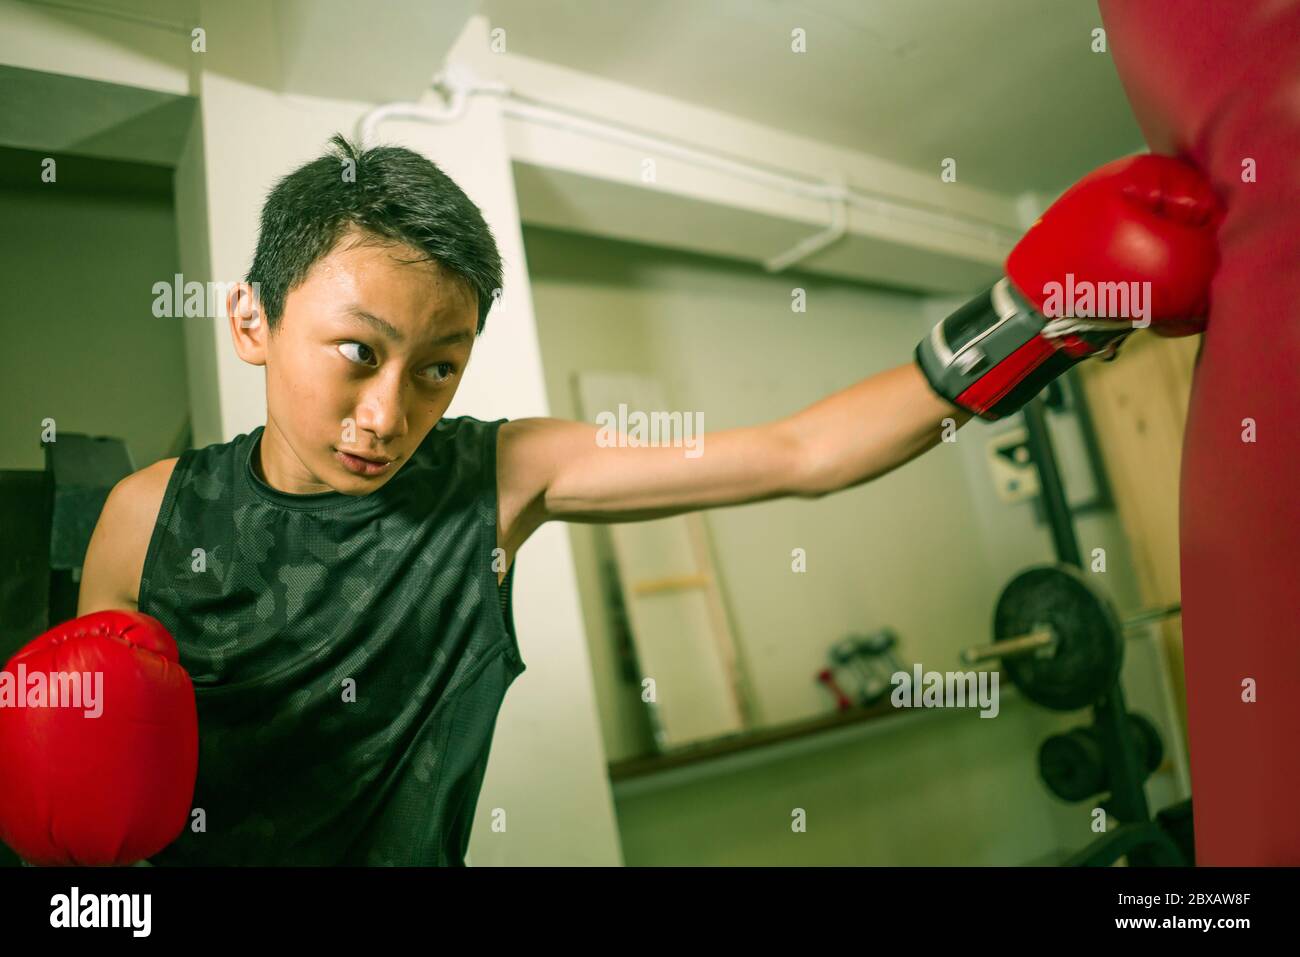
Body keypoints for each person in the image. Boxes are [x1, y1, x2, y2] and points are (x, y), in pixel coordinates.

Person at [0, 135, 1220, 866]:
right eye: (358, 354)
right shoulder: (146, 511)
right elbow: (78, 796)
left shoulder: (499, 475)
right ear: (253, 323)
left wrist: (1034, 319)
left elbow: (792, 453)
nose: (390, 414)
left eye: (439, 368)